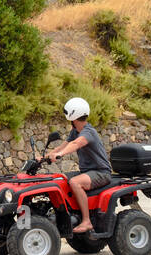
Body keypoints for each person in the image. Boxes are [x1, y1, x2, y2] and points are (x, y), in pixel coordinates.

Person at [43, 96, 114, 233]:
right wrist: (45, 156)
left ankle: (86, 221)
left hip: (101, 172)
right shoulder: (75, 131)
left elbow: (76, 144)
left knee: (75, 183)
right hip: (87, 172)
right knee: (59, 179)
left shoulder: (89, 132)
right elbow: (64, 145)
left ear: (73, 116)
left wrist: (60, 155)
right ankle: (67, 214)